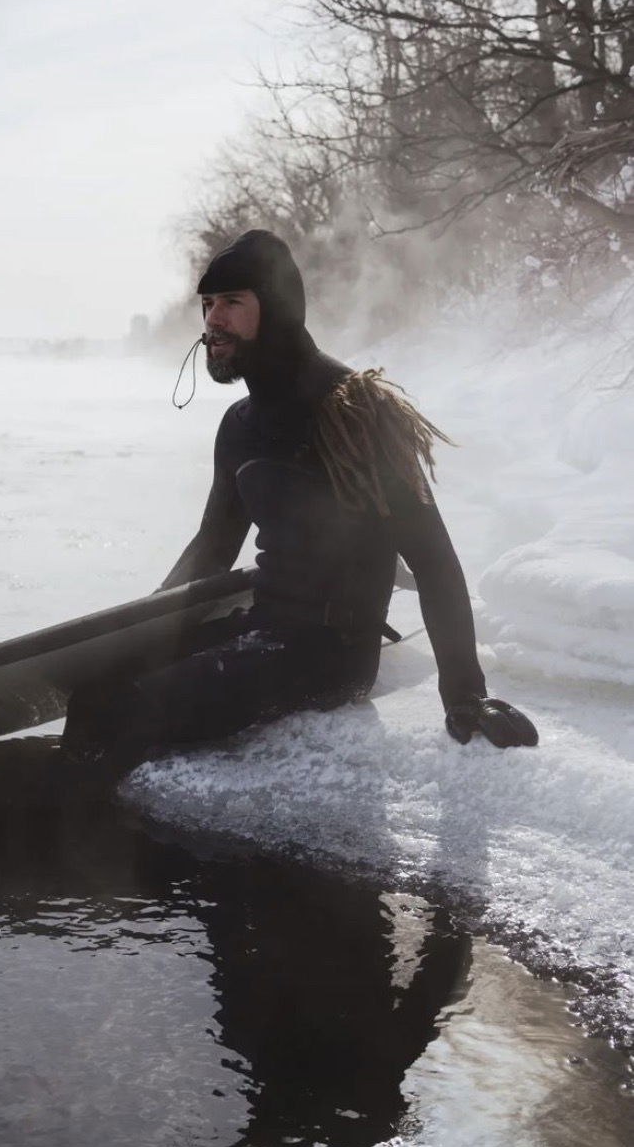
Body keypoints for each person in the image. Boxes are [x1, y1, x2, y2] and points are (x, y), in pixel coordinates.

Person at [63, 229, 536, 758]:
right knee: (95, 690)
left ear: (278, 308)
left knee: (125, 711)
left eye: (232, 302)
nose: (213, 320)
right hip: (266, 625)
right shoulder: (239, 424)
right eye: (208, 304)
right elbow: (212, 549)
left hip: (333, 655)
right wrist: (139, 632)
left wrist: (466, 693)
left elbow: (433, 560)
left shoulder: (356, 413)